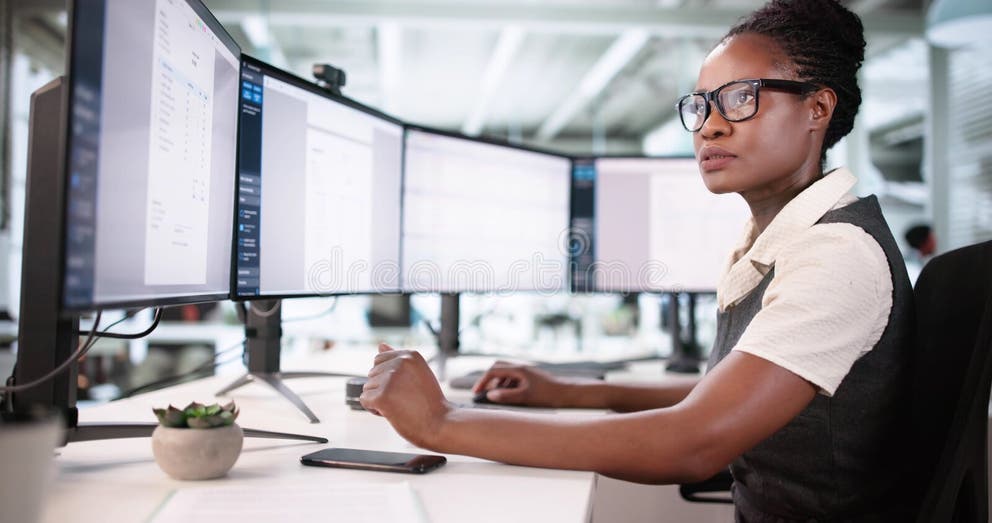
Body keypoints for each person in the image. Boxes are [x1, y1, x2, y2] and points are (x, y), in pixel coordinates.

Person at [361, 0, 915, 520]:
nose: (710, 125)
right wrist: (570, 392)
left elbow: (694, 440)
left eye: (740, 98)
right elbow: (726, 390)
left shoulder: (837, 254)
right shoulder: (777, 239)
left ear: (818, 108)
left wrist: (442, 421)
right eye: (701, 105)